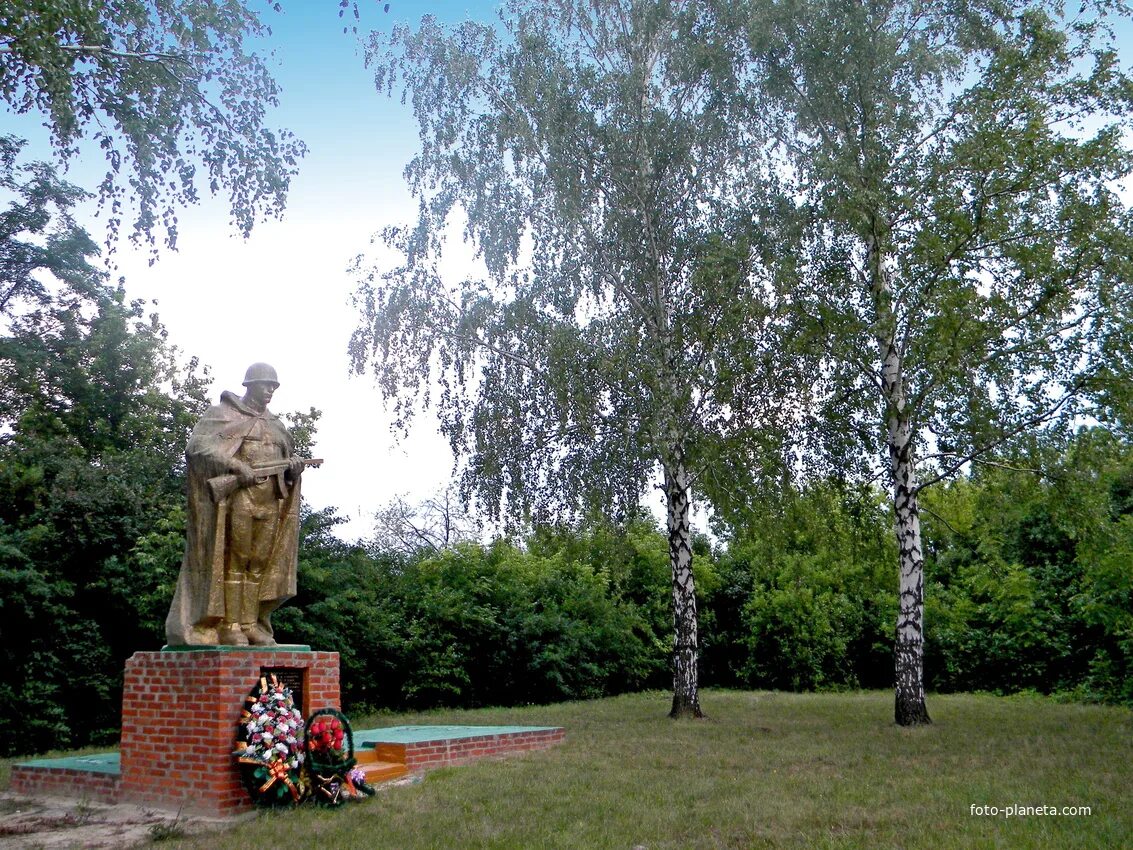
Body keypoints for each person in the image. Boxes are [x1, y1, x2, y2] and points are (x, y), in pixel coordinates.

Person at [165, 362, 306, 646]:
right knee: (236, 561)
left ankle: (250, 624)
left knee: (259, 564)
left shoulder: (276, 425)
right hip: (240, 498)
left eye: (274, 386)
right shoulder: (222, 415)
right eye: (266, 385)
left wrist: (293, 470)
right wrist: (234, 465)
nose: (270, 391)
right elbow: (198, 448)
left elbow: (286, 468)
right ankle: (230, 626)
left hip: (270, 504)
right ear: (250, 385)